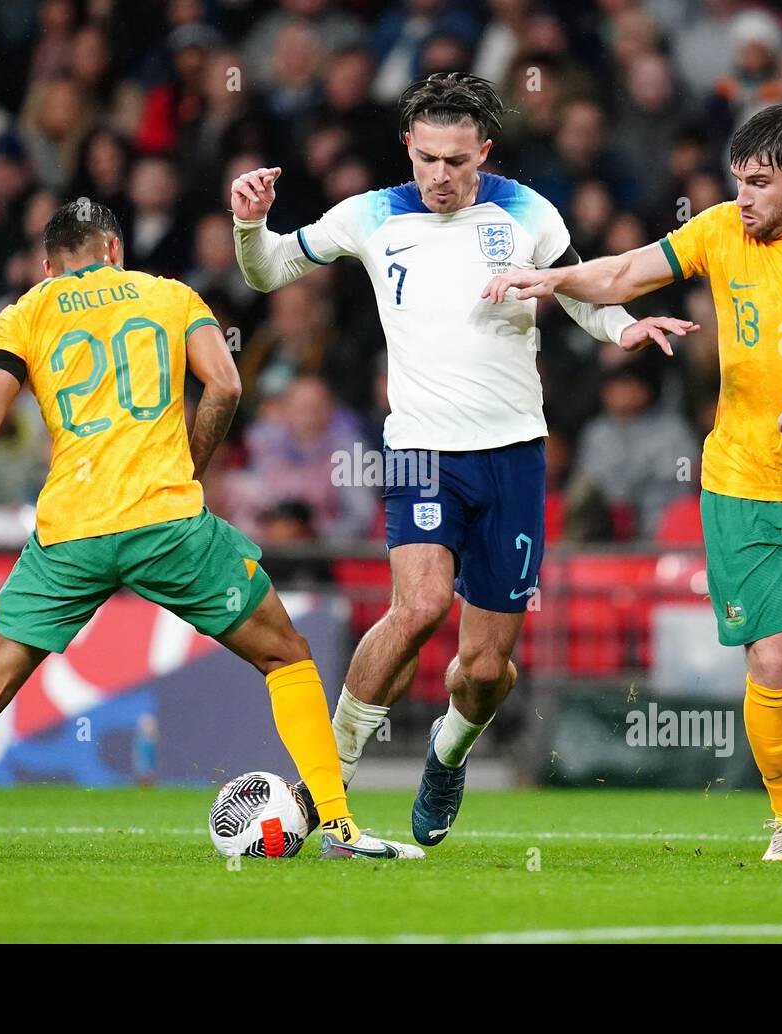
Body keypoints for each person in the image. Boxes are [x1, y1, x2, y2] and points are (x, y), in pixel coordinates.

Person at [0, 200, 422, 861]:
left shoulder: (28, 310)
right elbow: (224, 386)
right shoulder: (169, 295)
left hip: (70, 532)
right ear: (114, 249)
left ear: (49, 264)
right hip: (166, 522)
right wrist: (190, 467)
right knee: (285, 656)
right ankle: (339, 829)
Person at [231, 72, 693, 846]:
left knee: (484, 670)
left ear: (483, 150)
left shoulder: (526, 212)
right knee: (418, 606)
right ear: (408, 147)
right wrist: (251, 226)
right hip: (418, 448)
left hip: (511, 453)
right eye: (428, 159)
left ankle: (449, 752)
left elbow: (577, 288)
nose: (441, 176)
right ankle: (324, 783)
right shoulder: (369, 214)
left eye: (457, 160)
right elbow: (270, 270)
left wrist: (624, 331)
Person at [485, 103, 782, 860]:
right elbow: (628, 271)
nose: (745, 198)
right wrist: (552, 279)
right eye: (738, 181)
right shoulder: (721, 230)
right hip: (741, 487)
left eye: (760, 183)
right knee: (763, 656)